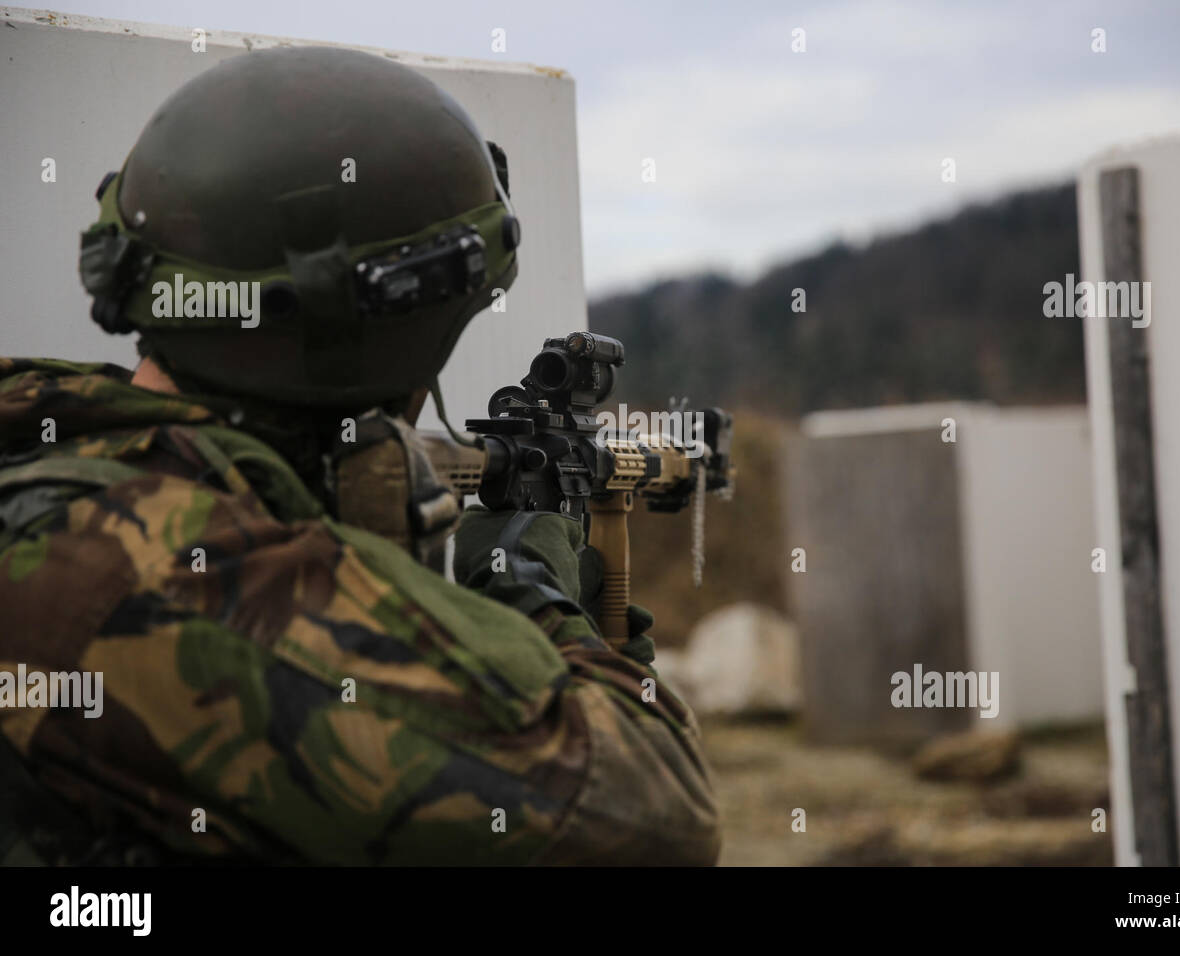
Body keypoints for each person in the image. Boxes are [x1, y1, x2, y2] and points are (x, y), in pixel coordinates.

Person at [0, 46, 720, 866]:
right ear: (394, 340)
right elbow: (658, 816)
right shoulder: (159, 576)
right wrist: (535, 600)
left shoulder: (53, 438)